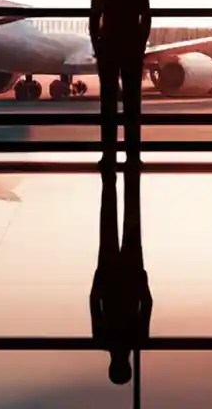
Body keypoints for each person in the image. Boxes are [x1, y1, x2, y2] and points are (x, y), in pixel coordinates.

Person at [89, 0, 151, 165]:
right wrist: (141, 44)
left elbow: (94, 18)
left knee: (108, 105)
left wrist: (97, 46)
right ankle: (133, 156)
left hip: (108, 47)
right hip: (131, 47)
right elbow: (146, 18)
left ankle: (108, 155)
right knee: (133, 104)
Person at [89, 165, 152, 385]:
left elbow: (147, 305)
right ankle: (110, 175)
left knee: (130, 219)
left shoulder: (137, 340)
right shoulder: (102, 340)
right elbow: (95, 304)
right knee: (108, 221)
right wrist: (98, 280)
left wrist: (142, 281)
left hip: (131, 275)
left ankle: (130, 172)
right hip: (109, 275)